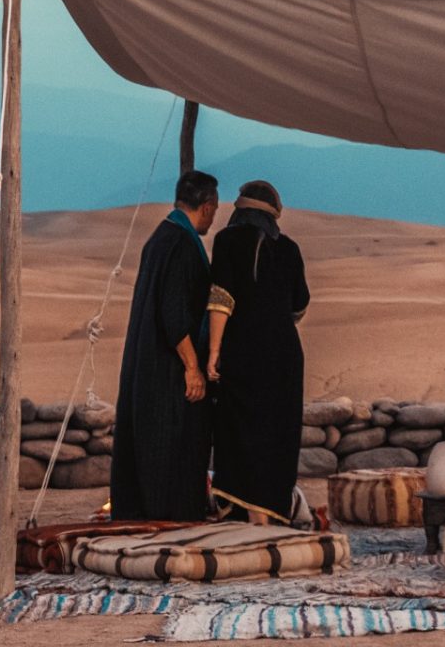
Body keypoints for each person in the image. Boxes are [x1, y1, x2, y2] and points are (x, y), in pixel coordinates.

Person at [109, 170, 219, 521]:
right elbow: (173, 314)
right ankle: (171, 523)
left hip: (148, 370)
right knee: (172, 452)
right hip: (168, 375)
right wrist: (192, 368)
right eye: (215, 209)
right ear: (207, 206)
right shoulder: (181, 244)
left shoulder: (160, 238)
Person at [206, 179, 310, 524]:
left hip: (244, 353)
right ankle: (266, 514)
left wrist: (213, 351)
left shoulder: (227, 241)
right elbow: (300, 305)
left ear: (240, 211)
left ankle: (252, 517)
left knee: (241, 430)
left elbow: (221, 299)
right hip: (284, 356)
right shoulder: (290, 249)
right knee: (275, 433)